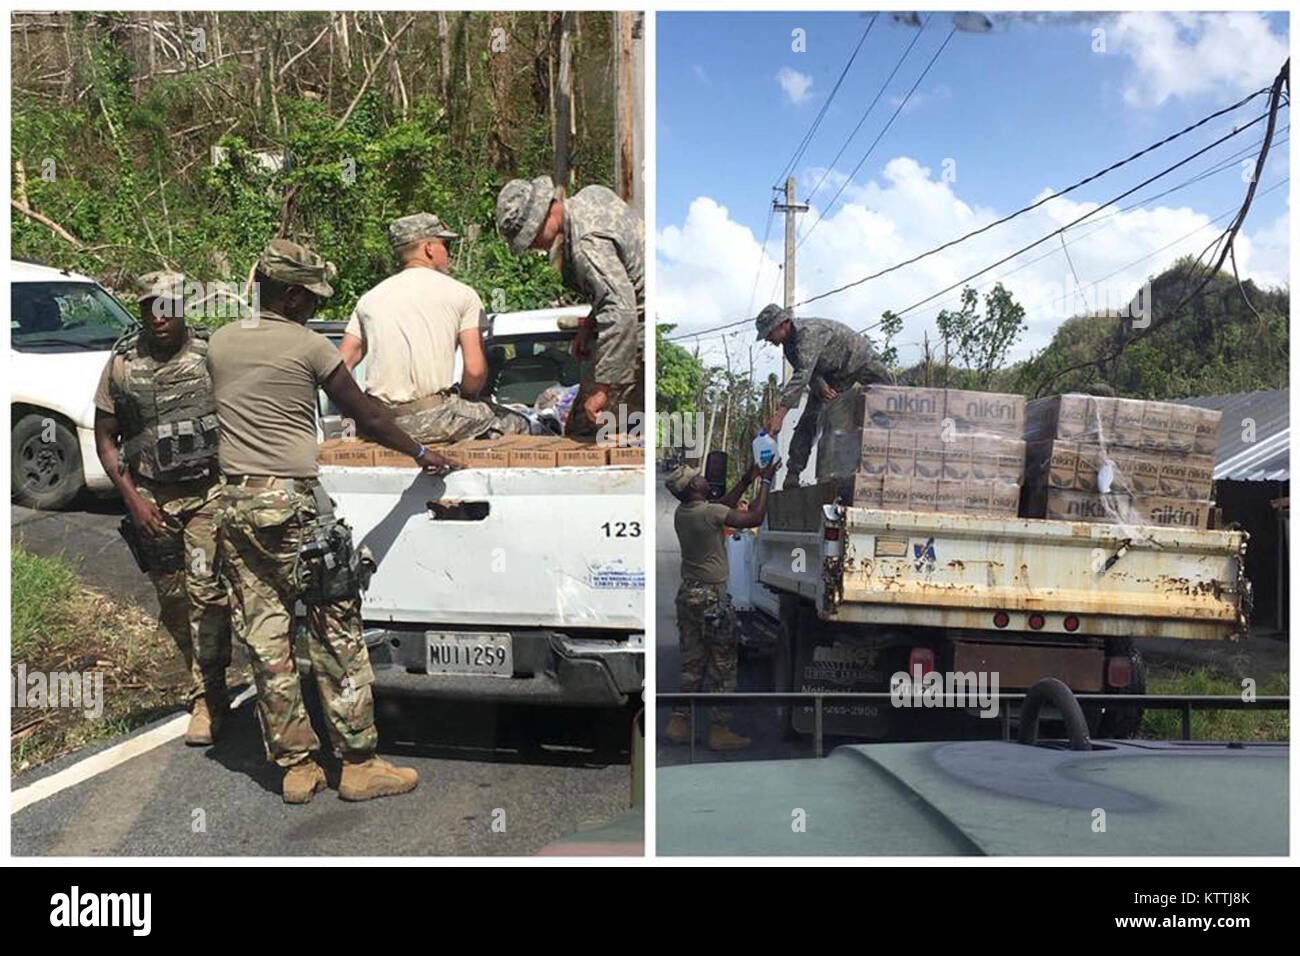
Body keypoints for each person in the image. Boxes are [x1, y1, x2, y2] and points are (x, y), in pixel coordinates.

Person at [208, 238, 457, 804]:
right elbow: (367, 417)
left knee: (267, 639)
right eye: (311, 296)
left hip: (236, 504)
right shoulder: (309, 347)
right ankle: (359, 764)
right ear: (292, 295)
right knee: (335, 631)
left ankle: (297, 768)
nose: (313, 305)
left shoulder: (220, 342)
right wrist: (422, 453)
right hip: (293, 506)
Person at [93, 272, 232, 746]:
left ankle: (208, 696)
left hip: (208, 493)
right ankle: (203, 679)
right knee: (173, 599)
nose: (159, 317)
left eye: (168, 307)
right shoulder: (123, 363)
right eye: (151, 307)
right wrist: (132, 498)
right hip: (152, 497)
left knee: (207, 594)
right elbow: (106, 438)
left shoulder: (212, 354)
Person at [338, 212, 527, 442]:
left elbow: (340, 365)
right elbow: (475, 371)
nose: (448, 253)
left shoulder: (369, 299)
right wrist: (466, 399)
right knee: (519, 424)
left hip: (378, 421)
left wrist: (355, 414)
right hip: (434, 418)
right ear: (428, 248)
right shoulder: (462, 294)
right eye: (445, 245)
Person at [495, 175, 644, 436]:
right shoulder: (591, 197)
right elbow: (620, 287)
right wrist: (589, 325)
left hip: (634, 343)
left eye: (531, 236)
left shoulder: (586, 244)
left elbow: (621, 311)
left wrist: (603, 388)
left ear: (546, 212)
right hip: (634, 328)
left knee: (588, 429)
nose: (533, 246)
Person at [663, 457, 780, 751]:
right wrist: (765, 481)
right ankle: (719, 729)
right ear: (694, 487)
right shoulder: (709, 513)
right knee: (723, 663)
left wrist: (746, 479)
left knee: (692, 662)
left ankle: (678, 722)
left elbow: (723, 507)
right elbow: (754, 518)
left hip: (689, 595)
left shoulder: (684, 512)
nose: (703, 477)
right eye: (698, 477)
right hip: (712, 598)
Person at [755, 304, 892, 489]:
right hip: (833, 376)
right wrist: (819, 385)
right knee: (810, 419)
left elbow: (802, 375)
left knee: (893, 399)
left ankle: (894, 462)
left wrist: (779, 416)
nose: (768, 339)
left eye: (769, 333)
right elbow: (808, 371)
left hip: (859, 360)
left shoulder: (808, 333)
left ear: (782, 325)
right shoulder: (789, 348)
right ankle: (793, 472)